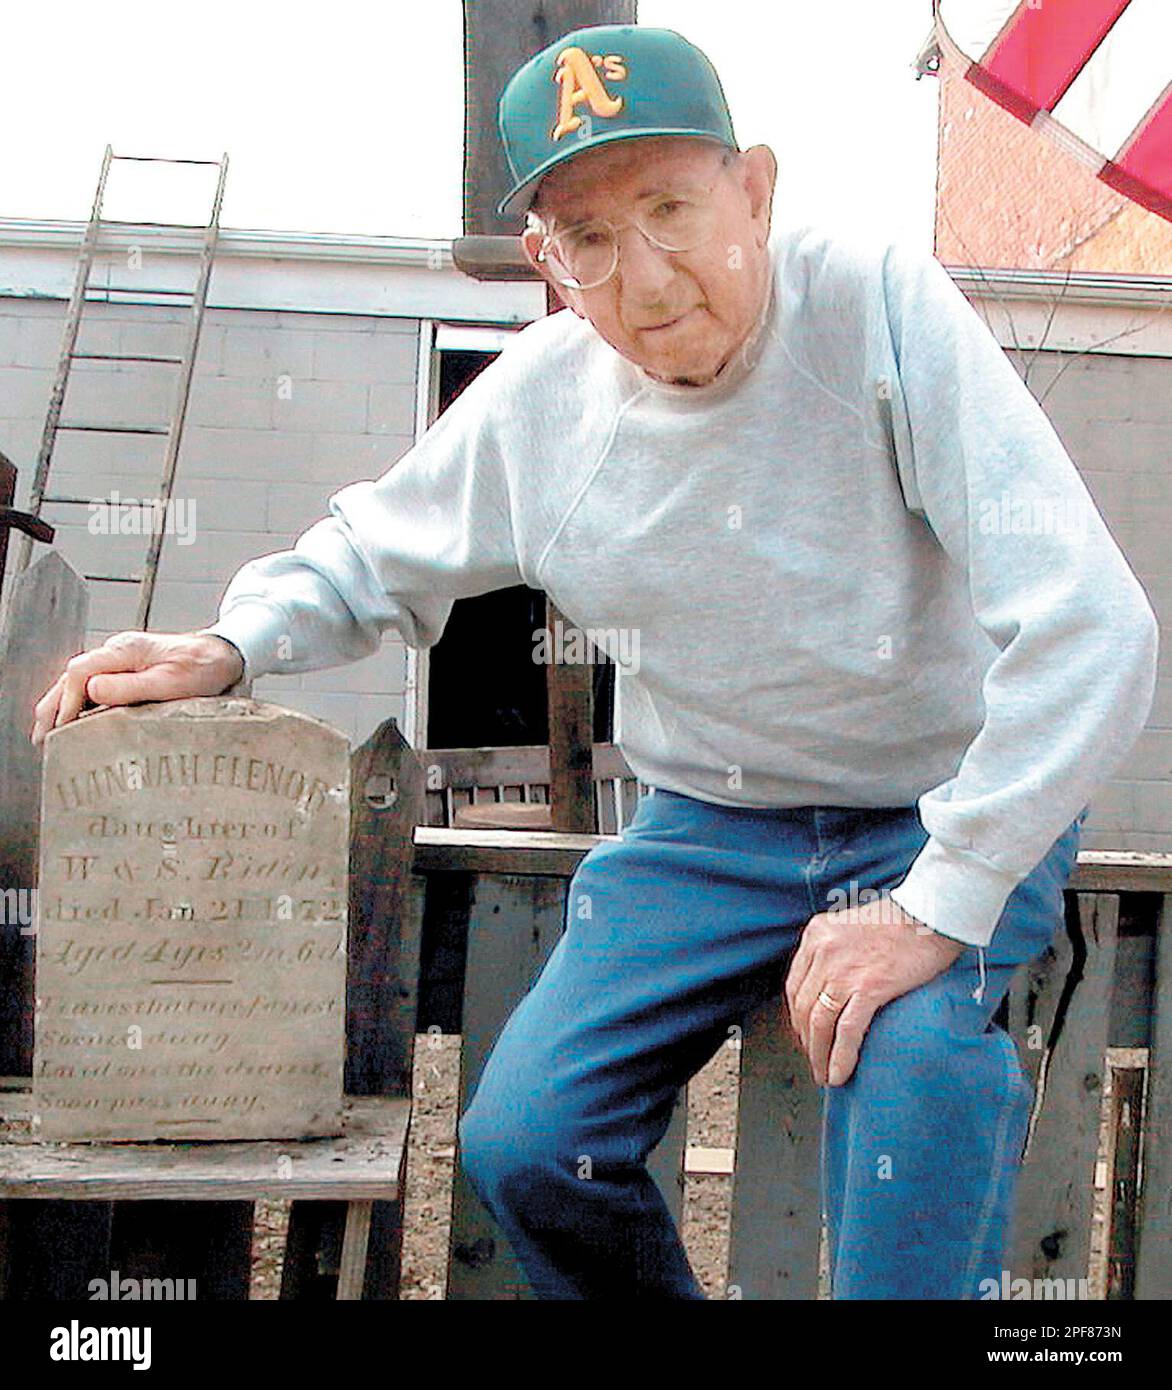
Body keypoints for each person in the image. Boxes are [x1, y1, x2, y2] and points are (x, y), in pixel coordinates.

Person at [31, 24, 1158, 1299]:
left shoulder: (873, 305)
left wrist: (931, 901)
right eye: (593, 238)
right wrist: (230, 642)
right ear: (549, 266)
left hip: (935, 801)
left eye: (672, 205)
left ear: (758, 191)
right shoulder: (537, 404)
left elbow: (1092, 627)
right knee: (527, 1140)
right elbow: (369, 553)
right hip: (706, 829)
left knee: (912, 1077)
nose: (648, 273)